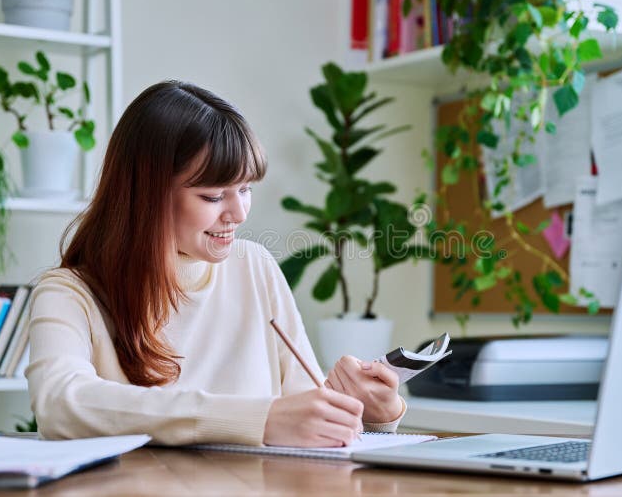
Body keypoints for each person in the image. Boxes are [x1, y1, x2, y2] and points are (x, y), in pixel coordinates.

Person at [26, 81, 406, 447]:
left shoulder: (254, 266)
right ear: (147, 196)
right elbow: (59, 403)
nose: (239, 214)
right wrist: (257, 420)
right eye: (213, 196)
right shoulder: (70, 293)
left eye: (245, 189)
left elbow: (306, 412)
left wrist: (372, 414)